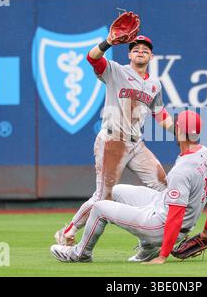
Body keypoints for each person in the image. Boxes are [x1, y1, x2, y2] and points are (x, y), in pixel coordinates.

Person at [50, 110, 207, 263]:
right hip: (164, 209)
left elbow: (175, 214)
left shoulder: (181, 170)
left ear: (179, 130)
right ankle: (149, 249)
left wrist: (163, 255)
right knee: (116, 191)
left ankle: (81, 253)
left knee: (99, 208)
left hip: (160, 226)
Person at [53, 30, 175, 245]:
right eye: (135, 49)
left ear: (151, 57)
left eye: (145, 50)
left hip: (136, 143)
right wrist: (108, 42)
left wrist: (179, 131)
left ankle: (154, 236)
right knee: (103, 196)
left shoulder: (155, 84)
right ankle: (69, 230)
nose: (140, 52)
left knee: (163, 187)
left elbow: (160, 114)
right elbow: (92, 58)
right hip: (112, 141)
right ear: (129, 55)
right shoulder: (116, 71)